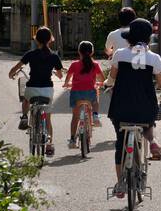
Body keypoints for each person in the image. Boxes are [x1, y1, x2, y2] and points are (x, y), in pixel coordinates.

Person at [105, 17, 161, 199]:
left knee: (120, 143)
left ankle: (120, 184)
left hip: (121, 106)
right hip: (144, 106)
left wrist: (107, 84)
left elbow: (112, 78)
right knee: (148, 124)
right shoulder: (154, 58)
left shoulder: (119, 54)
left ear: (129, 38)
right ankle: (153, 142)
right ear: (149, 38)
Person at [9, 27, 63, 156]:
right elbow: (61, 76)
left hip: (32, 89)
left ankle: (24, 117)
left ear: (36, 39)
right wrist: (55, 72)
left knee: (26, 99)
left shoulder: (30, 54)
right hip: (47, 91)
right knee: (48, 119)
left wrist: (12, 74)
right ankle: (49, 145)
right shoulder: (54, 56)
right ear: (50, 39)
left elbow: (16, 67)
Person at [63, 41, 105, 148]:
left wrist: (66, 84)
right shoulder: (95, 65)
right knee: (95, 100)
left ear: (79, 52)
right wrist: (99, 83)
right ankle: (95, 115)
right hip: (90, 93)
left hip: (76, 93)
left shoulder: (74, 64)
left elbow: (67, 79)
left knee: (75, 117)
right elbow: (102, 79)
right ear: (92, 52)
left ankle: (72, 140)